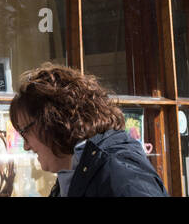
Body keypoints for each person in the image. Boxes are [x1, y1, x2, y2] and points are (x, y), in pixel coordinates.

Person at [9, 63, 167, 197]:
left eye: (25, 132)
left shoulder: (121, 175)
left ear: (52, 119)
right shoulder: (78, 173)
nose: (26, 146)